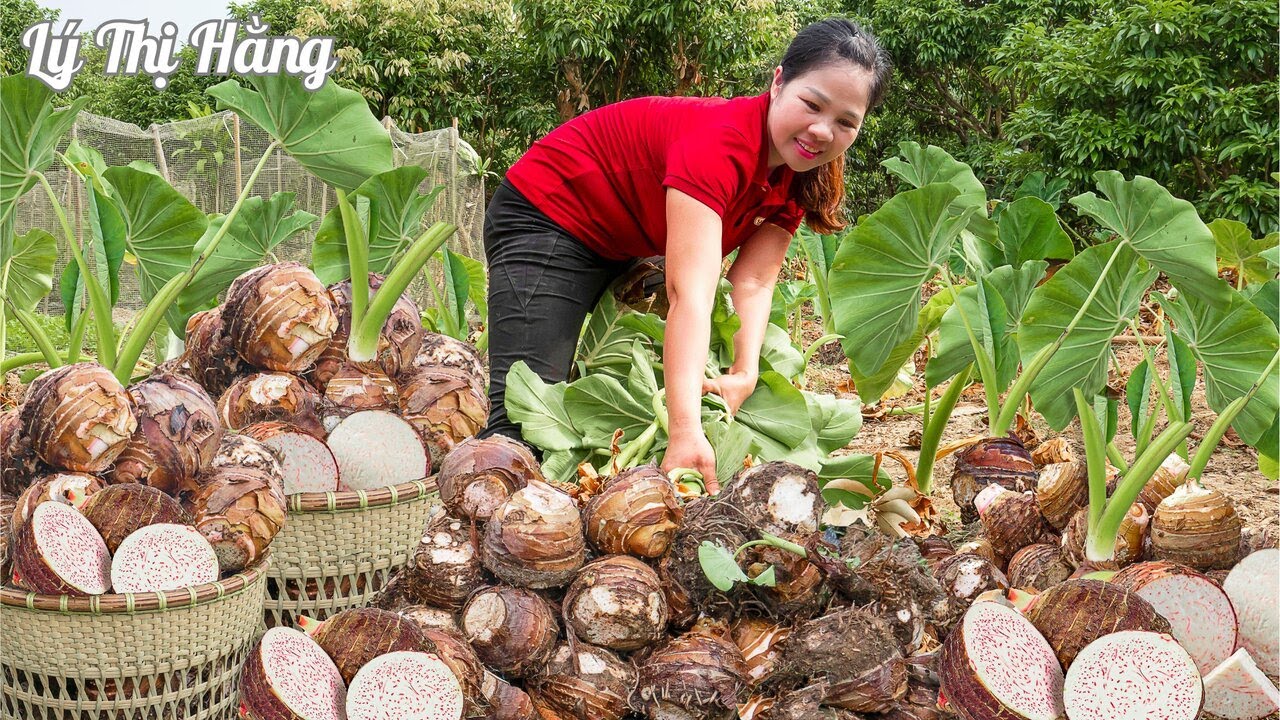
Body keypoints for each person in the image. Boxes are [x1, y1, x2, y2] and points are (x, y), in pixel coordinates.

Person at [478, 18, 891, 491]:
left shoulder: (799, 175)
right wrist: (684, 430)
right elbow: (688, 294)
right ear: (779, 82)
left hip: (628, 240)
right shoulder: (722, 142)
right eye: (812, 104)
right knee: (519, 427)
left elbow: (752, 282)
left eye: (845, 122)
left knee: (667, 371)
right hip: (549, 214)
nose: (822, 131)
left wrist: (744, 375)